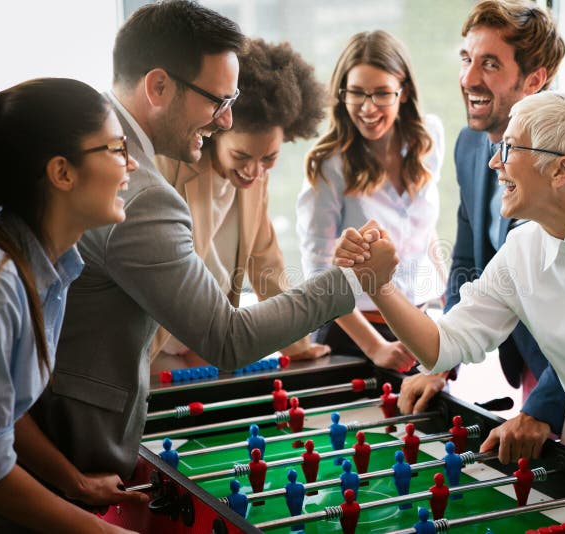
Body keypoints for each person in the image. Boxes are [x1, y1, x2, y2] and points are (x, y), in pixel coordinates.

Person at [29, 0, 357, 480]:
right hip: (62, 439)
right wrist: (350, 277)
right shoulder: (140, 194)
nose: (226, 118)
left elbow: (264, 263)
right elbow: (227, 338)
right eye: (216, 101)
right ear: (158, 85)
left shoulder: (86, 137)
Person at [335, 91, 565, 471]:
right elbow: (441, 347)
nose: (493, 162)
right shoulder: (521, 251)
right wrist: (378, 284)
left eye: (510, 148)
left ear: (561, 170)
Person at [396, 0, 565, 457]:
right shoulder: (471, 144)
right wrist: (440, 360)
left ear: (535, 79)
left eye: (490, 64)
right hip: (534, 368)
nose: (470, 78)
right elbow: (468, 264)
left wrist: (544, 409)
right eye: (467, 59)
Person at [0, 79, 141, 532]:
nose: (131, 165)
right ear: (62, 173)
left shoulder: (54, 265)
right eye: (116, 149)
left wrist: (77, 485)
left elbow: (0, 416)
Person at [151, 38, 331, 373]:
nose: (254, 171)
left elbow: (266, 264)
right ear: (216, 130)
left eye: (270, 158)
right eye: (241, 156)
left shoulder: (255, 178)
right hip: (156, 342)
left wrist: (298, 344)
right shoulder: (170, 165)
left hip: (207, 341)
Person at [298, 30, 444, 373]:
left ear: (403, 91)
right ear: (342, 93)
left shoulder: (429, 137)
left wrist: (447, 297)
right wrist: (376, 347)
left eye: (381, 94)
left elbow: (425, 227)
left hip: (417, 324)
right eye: (357, 93)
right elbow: (319, 277)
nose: (367, 107)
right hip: (354, 335)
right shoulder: (328, 164)